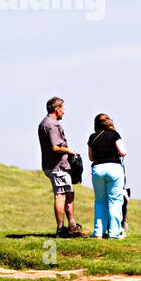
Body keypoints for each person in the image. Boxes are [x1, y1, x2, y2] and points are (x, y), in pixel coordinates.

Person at [38, 97, 84, 238]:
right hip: (56, 167)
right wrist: (69, 151)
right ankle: (61, 229)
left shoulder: (45, 123)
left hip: (56, 166)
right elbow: (55, 147)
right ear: (57, 109)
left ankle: (72, 225)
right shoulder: (52, 125)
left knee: (69, 193)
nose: (64, 111)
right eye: (62, 108)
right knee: (60, 196)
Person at [87, 113, 128, 239]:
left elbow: (91, 157)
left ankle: (98, 233)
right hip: (114, 168)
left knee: (100, 201)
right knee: (115, 201)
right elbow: (123, 152)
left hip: (98, 169)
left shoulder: (92, 137)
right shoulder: (115, 134)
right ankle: (114, 233)